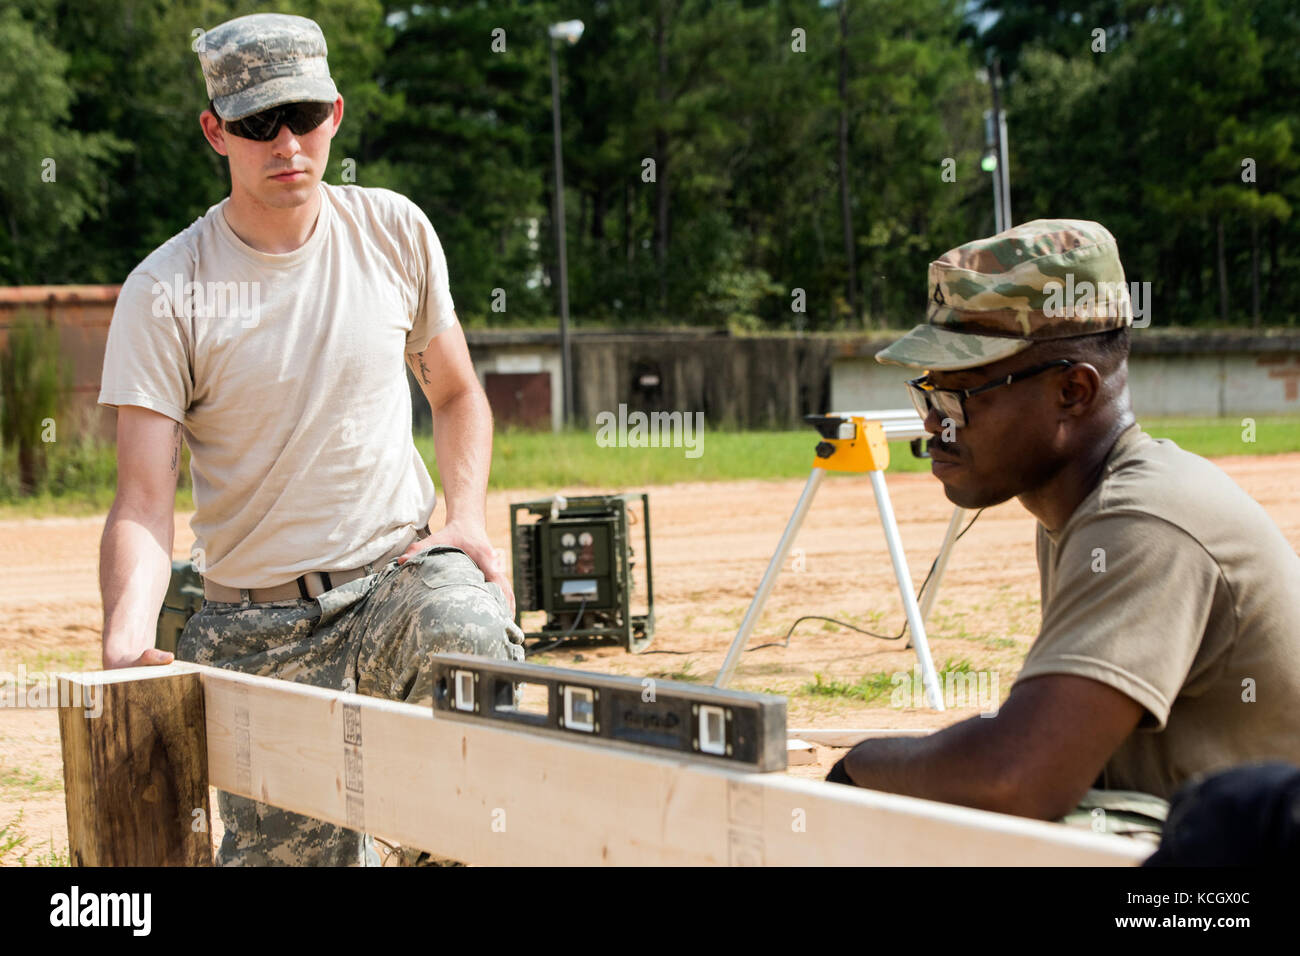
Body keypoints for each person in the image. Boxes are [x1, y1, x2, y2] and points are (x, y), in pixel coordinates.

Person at [96, 12, 523, 866]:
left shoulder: (394, 231)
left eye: (303, 117)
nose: (285, 142)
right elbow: (143, 499)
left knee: (475, 653)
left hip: (394, 583)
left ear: (336, 112)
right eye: (257, 125)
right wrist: (123, 637)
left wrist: (466, 515)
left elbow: (457, 393)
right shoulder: (167, 288)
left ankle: (446, 843)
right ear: (216, 132)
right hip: (259, 629)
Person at [825, 219, 1300, 839]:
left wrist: (859, 765)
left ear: (1073, 391)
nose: (933, 428)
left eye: (957, 399)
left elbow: (1020, 775)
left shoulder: (1141, 520)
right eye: (927, 396)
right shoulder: (1089, 506)